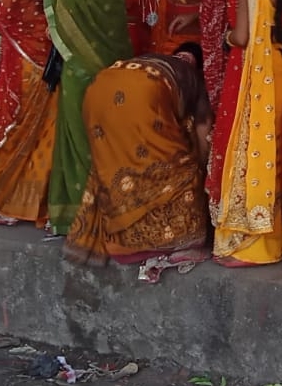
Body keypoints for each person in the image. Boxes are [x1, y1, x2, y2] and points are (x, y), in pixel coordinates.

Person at [63, 46, 212, 267]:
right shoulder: (193, 78)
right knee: (180, 173)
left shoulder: (149, 60)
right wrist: (199, 170)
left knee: (114, 165)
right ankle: (176, 240)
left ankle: (121, 242)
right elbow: (204, 131)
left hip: (98, 89)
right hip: (145, 94)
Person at [207, 0, 282, 266]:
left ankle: (249, 244)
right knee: (268, 149)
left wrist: (223, 37)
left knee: (244, 147)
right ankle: (273, 239)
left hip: (249, 72)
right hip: (276, 65)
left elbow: (241, 36)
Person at [45, 0, 134, 235]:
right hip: (113, 77)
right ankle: (116, 213)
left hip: (78, 75)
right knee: (109, 143)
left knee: (78, 141)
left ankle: (83, 217)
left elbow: (55, 32)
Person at [0, 0, 65, 226]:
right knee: (48, 133)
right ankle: (45, 203)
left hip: (22, 68)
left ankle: (15, 200)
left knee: (20, 128)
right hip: (54, 65)